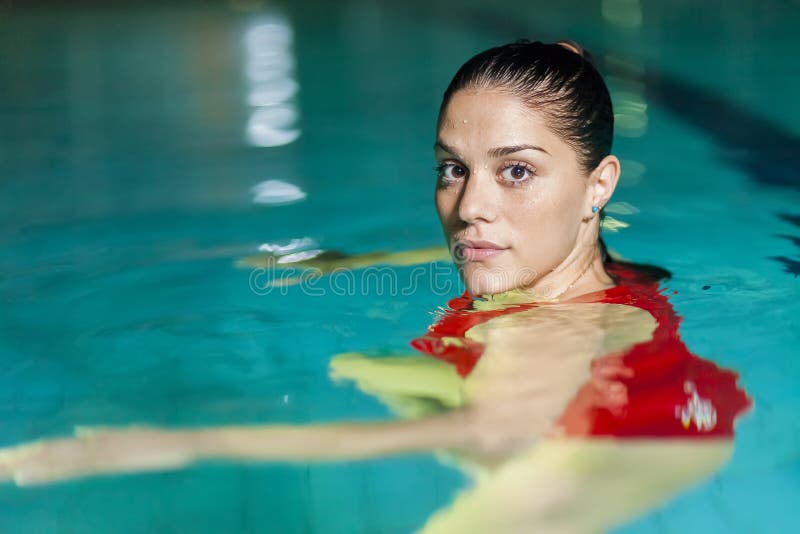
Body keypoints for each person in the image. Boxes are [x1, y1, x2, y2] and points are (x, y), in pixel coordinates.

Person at [0, 40, 751, 533]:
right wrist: (354, 261)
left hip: (614, 449)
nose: (470, 207)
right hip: (617, 396)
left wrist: (173, 444)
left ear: (598, 185)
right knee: (352, 366)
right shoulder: (581, 260)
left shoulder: (548, 328)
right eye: (453, 169)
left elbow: (481, 432)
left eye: (516, 170)